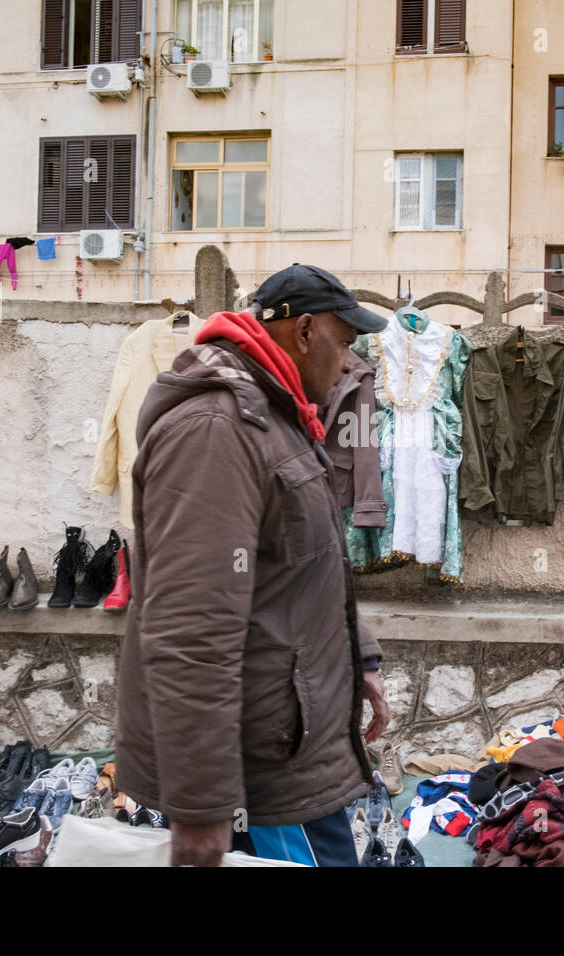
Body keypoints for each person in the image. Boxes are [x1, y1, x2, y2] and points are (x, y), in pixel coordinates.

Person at [116, 264, 392, 867]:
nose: (348, 363)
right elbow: (191, 627)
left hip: (288, 733)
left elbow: (303, 567)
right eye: (344, 343)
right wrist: (204, 808)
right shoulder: (218, 428)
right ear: (304, 331)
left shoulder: (276, 415)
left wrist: (358, 660)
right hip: (259, 766)